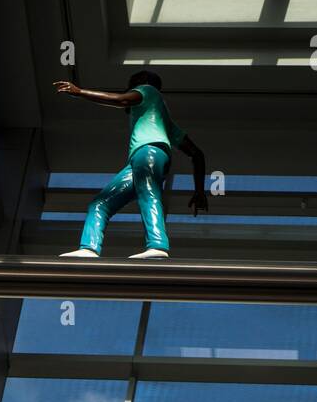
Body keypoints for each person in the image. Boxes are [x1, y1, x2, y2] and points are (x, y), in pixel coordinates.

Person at [53, 70, 208, 260]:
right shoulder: (163, 120)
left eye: (132, 84)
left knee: (148, 193)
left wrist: (80, 92)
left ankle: (157, 245)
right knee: (100, 203)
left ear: (142, 83)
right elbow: (197, 154)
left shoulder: (148, 90)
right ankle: (89, 248)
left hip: (148, 152)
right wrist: (199, 190)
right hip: (138, 161)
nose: (130, 89)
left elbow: (122, 100)